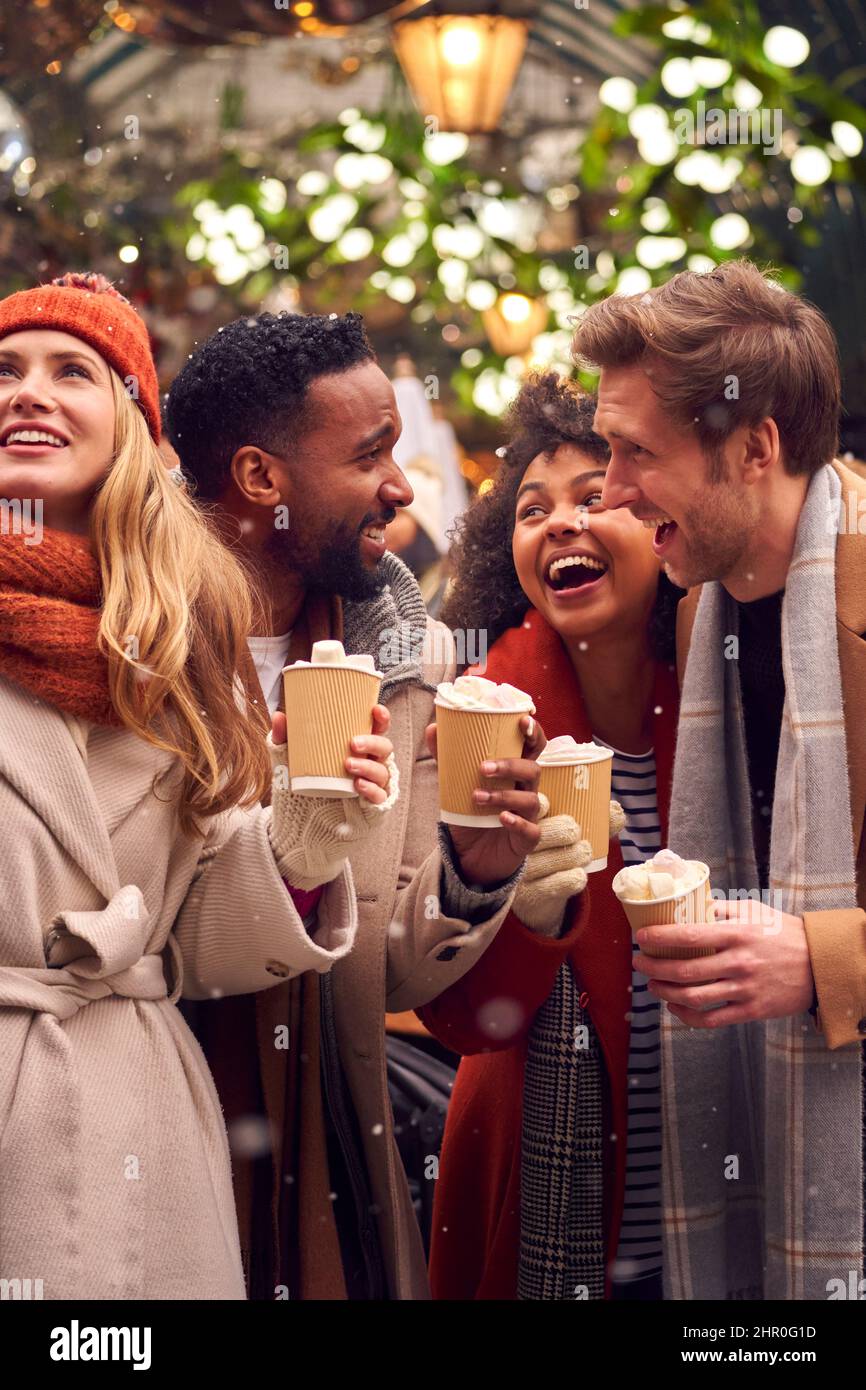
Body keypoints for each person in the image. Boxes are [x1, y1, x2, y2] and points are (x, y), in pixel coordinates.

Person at [0, 273, 396, 1300]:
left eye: (72, 371)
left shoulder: (174, 643)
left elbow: (191, 936)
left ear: (130, 428)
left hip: (146, 1138)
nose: (29, 392)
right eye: (3, 371)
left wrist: (302, 841)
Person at [164, 309, 546, 1300]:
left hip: (332, 1143)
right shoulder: (128, 646)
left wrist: (478, 863)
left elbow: (380, 966)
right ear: (261, 479)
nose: (399, 486)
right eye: (369, 454)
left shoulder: (401, 654)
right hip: (153, 1118)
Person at [573, 257, 866, 1301]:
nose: (605, 493)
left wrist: (821, 960)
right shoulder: (702, 608)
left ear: (755, 447)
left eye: (632, 453)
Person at [417, 372, 682, 1300]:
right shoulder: (477, 723)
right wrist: (513, 906)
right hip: (543, 1192)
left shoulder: (736, 702)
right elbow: (455, 1013)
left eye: (593, 494)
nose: (561, 522)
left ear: (663, 519)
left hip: (717, 1180)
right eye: (532, 509)